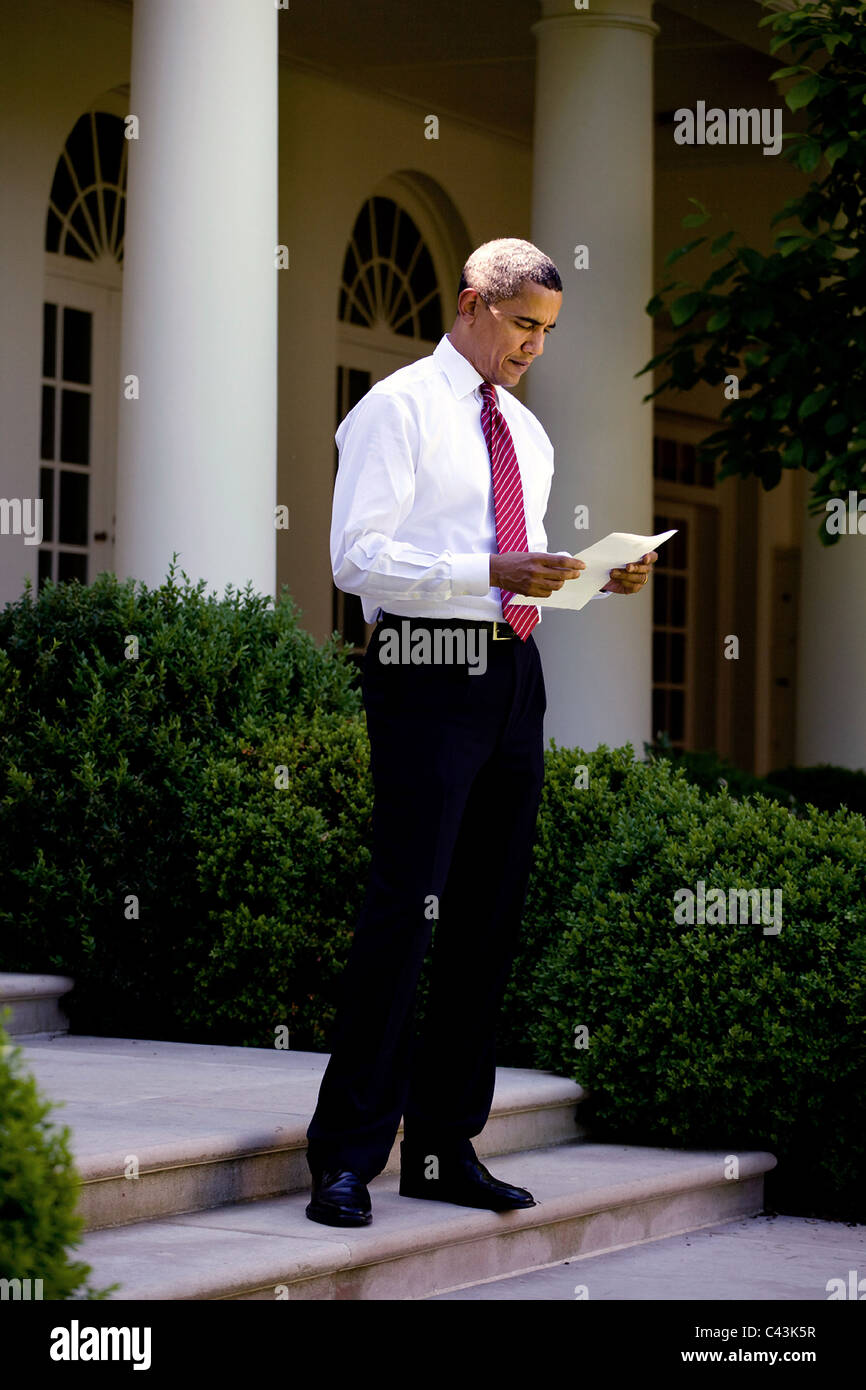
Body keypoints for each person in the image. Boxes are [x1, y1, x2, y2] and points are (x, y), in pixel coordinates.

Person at [305, 237, 656, 1226]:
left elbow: (512, 567)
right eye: (521, 325)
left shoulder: (525, 435)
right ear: (470, 304)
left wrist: (586, 576)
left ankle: (442, 1149)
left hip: (510, 673)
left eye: (547, 332)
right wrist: (491, 572)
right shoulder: (396, 410)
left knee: (483, 919)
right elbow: (356, 560)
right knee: (403, 910)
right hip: (421, 666)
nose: (533, 347)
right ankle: (342, 1155)